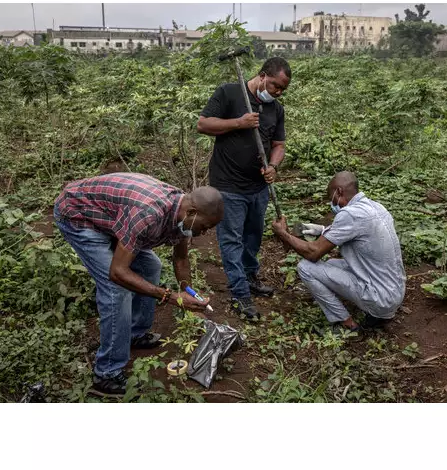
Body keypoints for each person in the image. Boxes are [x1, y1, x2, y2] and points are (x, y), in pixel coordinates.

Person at [53, 172, 223, 395]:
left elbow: (180, 258)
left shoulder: (183, 215)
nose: (205, 233)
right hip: (80, 214)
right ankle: (106, 373)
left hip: (112, 218)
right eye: (206, 226)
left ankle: (135, 333)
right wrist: (170, 296)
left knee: (151, 266)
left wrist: (187, 291)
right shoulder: (149, 214)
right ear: (192, 212)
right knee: (116, 288)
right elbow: (118, 273)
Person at [197, 57, 291, 321]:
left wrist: (273, 165)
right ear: (262, 76)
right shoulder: (229, 93)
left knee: (253, 237)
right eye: (275, 86)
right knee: (231, 240)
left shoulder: (276, 109)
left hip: (258, 187)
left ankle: (250, 278)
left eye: (282, 89)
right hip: (228, 186)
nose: (278, 92)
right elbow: (203, 124)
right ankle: (240, 294)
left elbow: (279, 144)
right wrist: (238, 123)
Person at [271, 172, 406, 338]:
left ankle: (345, 323)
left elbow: (313, 253)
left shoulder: (350, 214)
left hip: (380, 299)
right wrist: (320, 229)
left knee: (305, 267)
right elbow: (353, 231)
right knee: (333, 264)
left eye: (331, 197)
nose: (331, 202)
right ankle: (376, 311)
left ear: (339, 192)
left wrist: (283, 234)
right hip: (394, 292)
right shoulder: (376, 207)